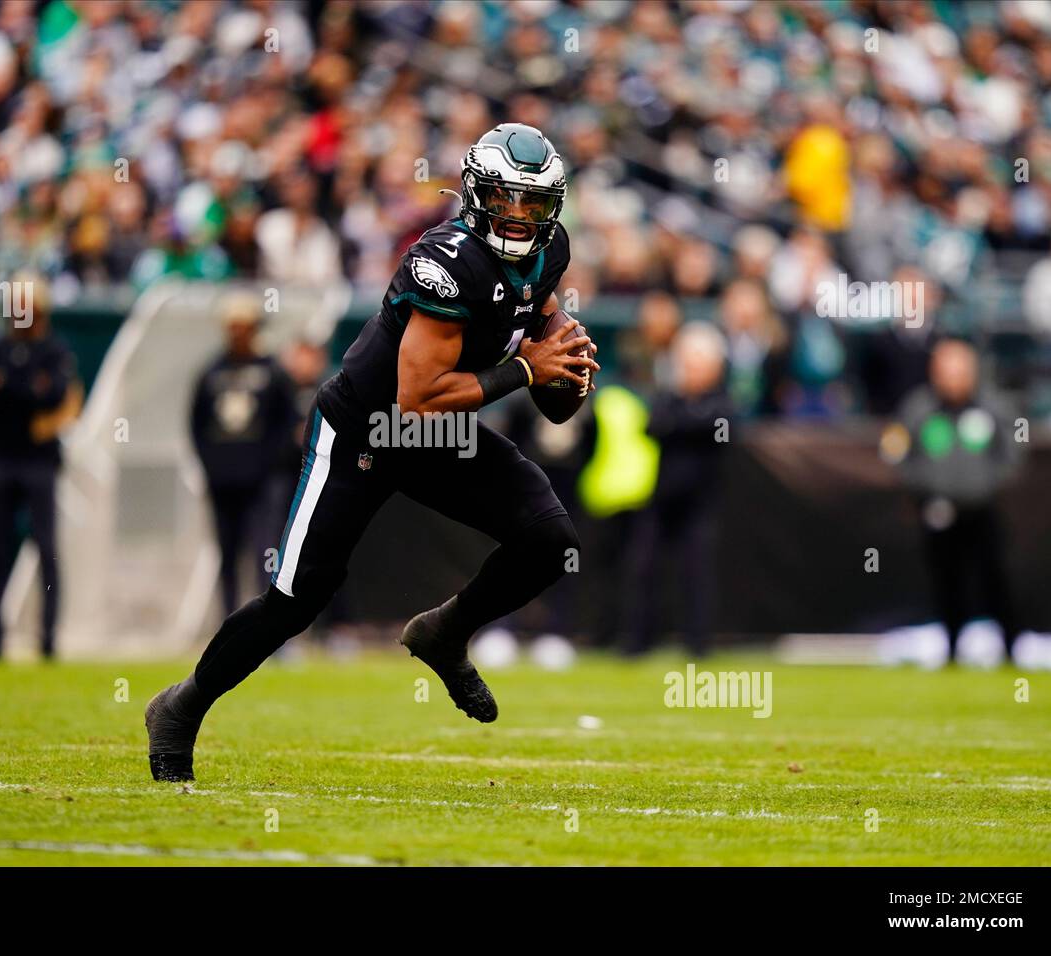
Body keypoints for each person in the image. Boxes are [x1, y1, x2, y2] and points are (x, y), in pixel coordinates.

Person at [146, 124, 600, 781]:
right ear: (477, 194)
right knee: (297, 601)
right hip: (369, 428)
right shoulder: (445, 263)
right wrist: (527, 371)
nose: (523, 217)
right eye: (509, 199)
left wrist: (563, 352)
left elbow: (536, 308)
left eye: (536, 203)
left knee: (549, 540)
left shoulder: (547, 250)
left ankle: (445, 632)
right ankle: (180, 709)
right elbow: (416, 398)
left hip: (438, 431)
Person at [0, 273, 79, 658]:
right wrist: (27, 392)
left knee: (46, 548)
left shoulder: (54, 350)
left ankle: (47, 639)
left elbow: (55, 395)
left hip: (38, 460)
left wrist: (11, 392)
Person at [893, 338, 1022, 661]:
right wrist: (926, 488)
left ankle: (1010, 648)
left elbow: (1015, 451)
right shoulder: (917, 408)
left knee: (994, 580)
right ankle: (951, 647)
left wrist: (985, 485)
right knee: (945, 581)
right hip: (937, 512)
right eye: (946, 369)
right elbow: (896, 451)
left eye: (960, 369)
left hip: (983, 510)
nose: (953, 377)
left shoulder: (995, 408)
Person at [624, 322, 733, 658]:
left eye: (699, 363)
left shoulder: (720, 402)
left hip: (700, 502)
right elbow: (653, 426)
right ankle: (638, 641)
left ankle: (697, 644)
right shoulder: (669, 398)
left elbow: (720, 432)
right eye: (687, 362)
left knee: (696, 574)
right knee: (644, 569)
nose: (693, 370)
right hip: (661, 500)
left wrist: (682, 424)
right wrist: (686, 422)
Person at [189, 294, 297, 617]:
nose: (236, 333)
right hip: (223, 482)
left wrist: (266, 466)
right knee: (228, 555)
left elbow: (286, 423)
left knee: (266, 552)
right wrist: (212, 467)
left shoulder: (272, 371)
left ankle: (268, 626)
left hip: (261, 483)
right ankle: (228, 626)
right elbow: (197, 424)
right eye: (231, 327)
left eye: (242, 327)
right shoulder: (210, 372)